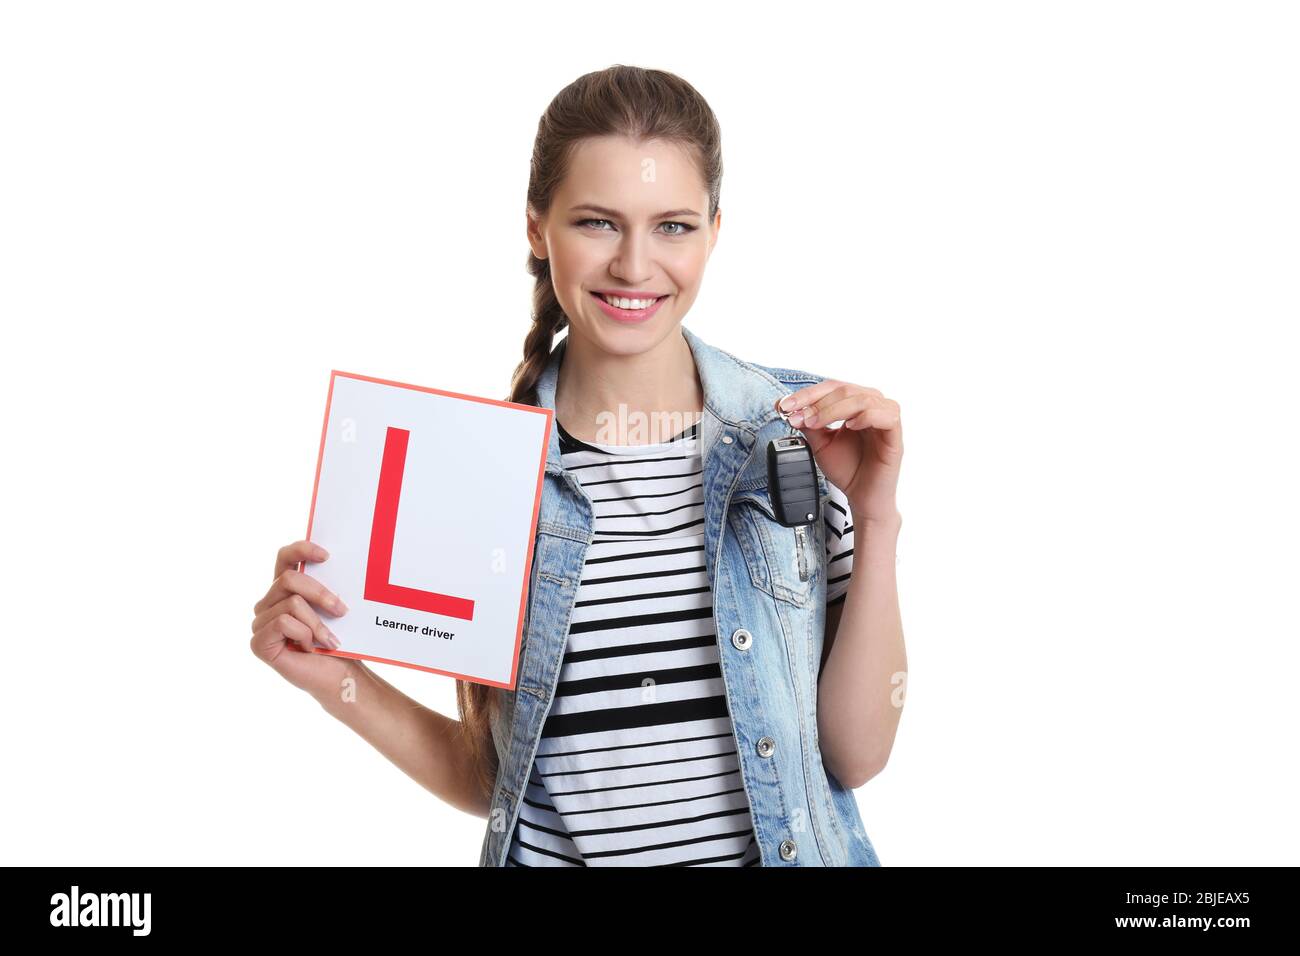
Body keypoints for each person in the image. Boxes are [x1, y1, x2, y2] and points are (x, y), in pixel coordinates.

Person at [250, 64, 906, 866]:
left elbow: (856, 754)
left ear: (714, 231)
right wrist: (333, 678)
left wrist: (875, 519)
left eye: (673, 226)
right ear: (537, 228)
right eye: (597, 223)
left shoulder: (795, 437)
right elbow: (497, 774)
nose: (635, 266)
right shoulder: (479, 472)